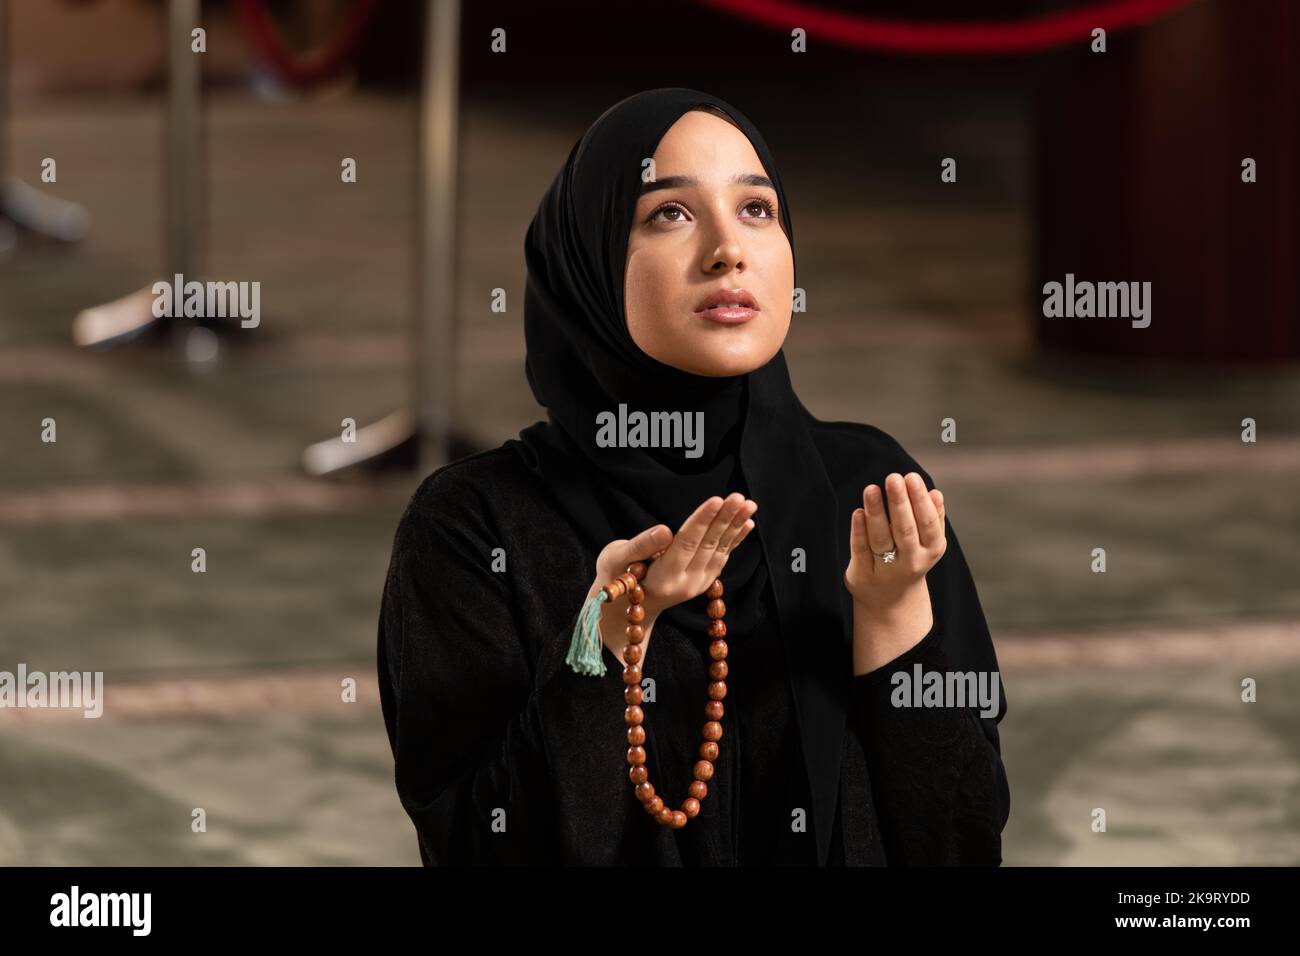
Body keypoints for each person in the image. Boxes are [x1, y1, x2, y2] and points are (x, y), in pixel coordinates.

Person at [377, 88, 1010, 866]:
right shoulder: (478, 525)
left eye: (757, 210)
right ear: (589, 263)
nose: (727, 249)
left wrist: (892, 622)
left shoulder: (871, 492)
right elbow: (476, 846)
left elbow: (959, 844)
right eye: (669, 214)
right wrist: (602, 649)